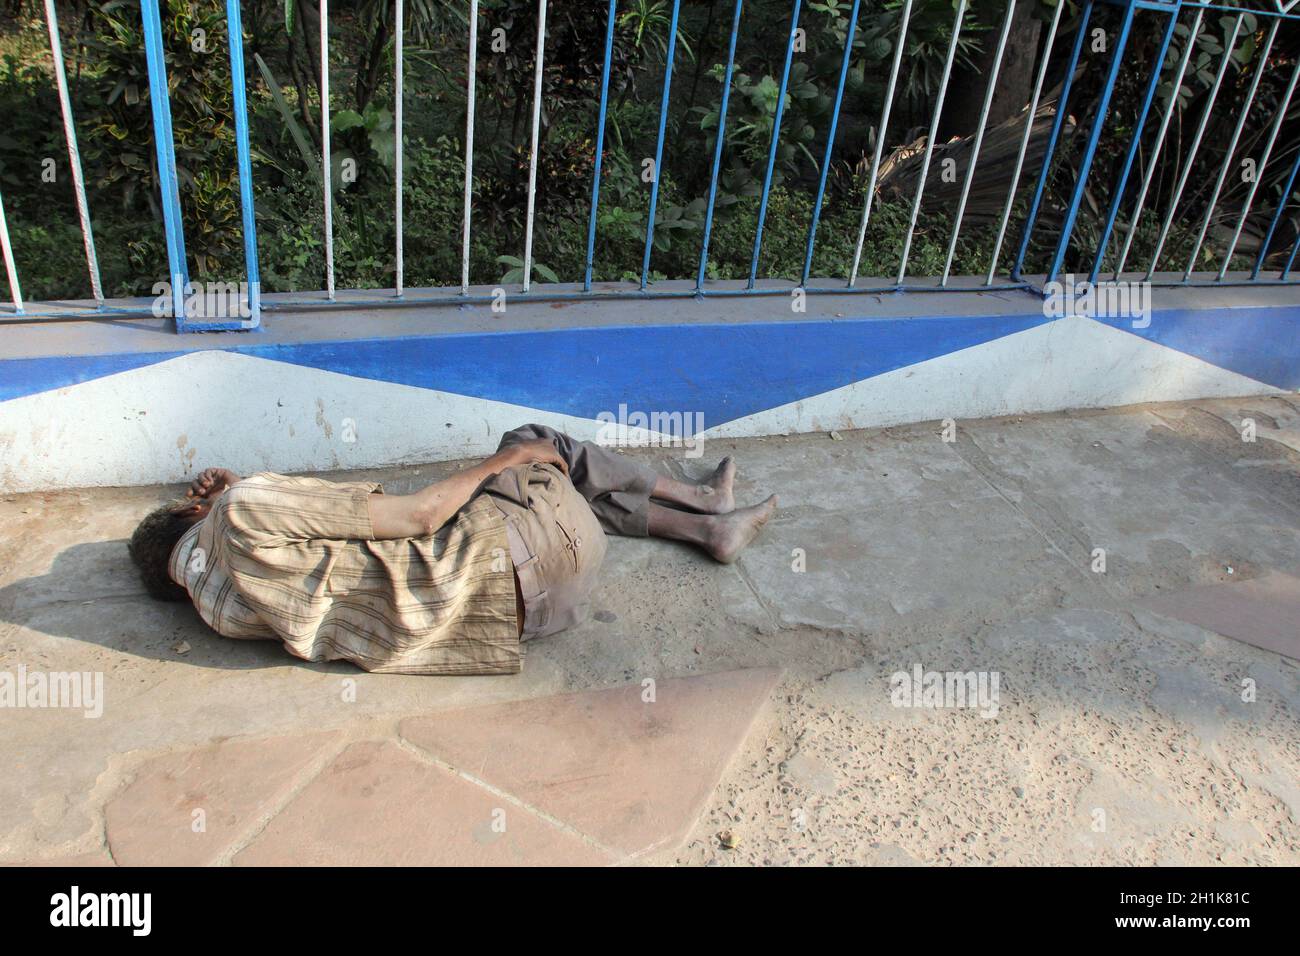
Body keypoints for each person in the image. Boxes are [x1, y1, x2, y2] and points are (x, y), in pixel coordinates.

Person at [127, 424, 777, 675]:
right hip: (529, 546)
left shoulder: (221, 613)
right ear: (192, 508)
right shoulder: (241, 513)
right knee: (537, 443)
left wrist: (237, 492)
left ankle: (706, 524)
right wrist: (508, 459)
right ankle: (699, 507)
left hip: (532, 616)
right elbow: (421, 512)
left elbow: (282, 558)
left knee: (537, 478)